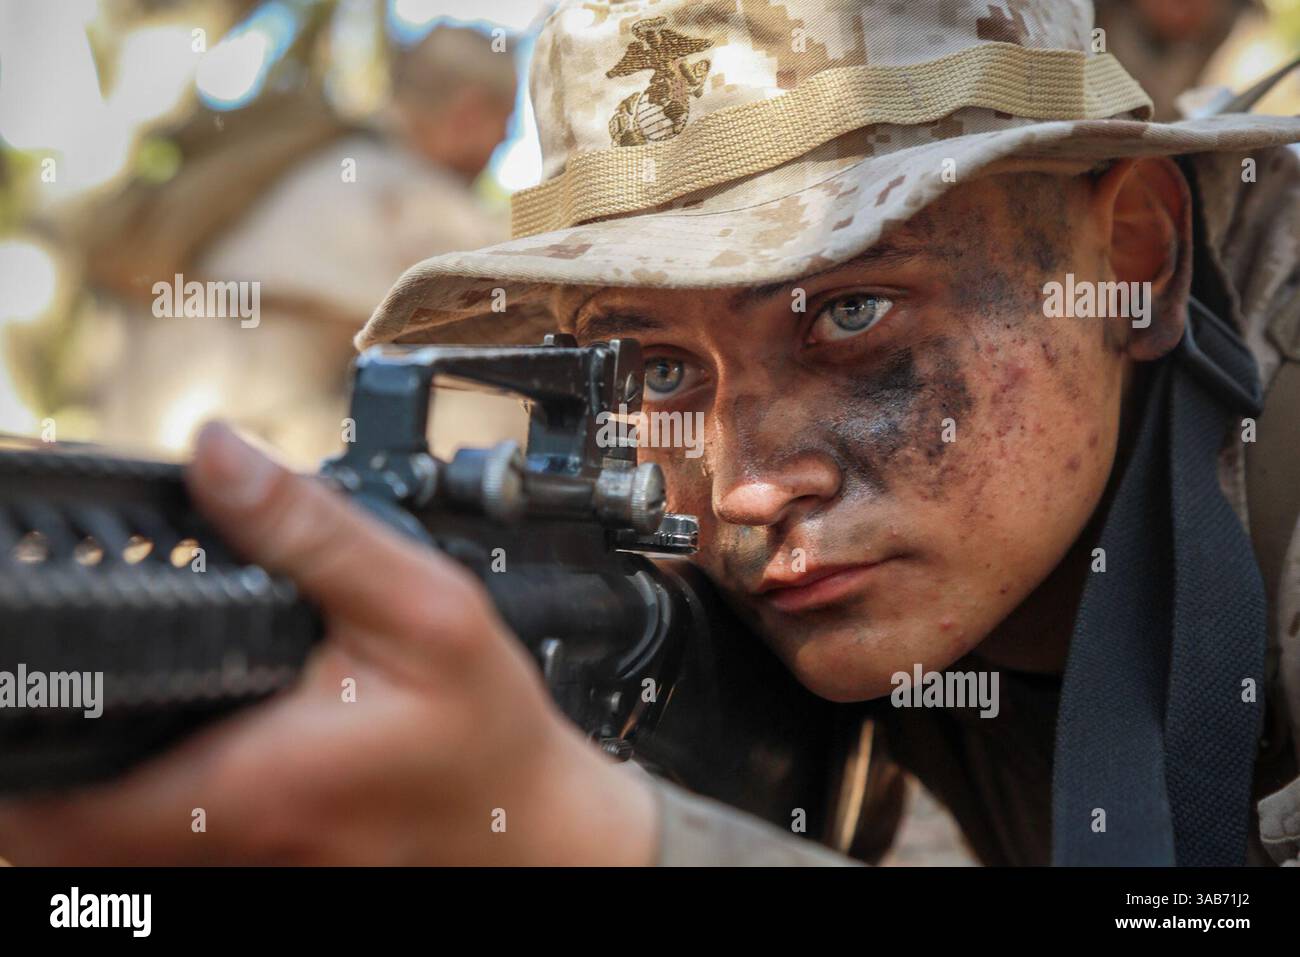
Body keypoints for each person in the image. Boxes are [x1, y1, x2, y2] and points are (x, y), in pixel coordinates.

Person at [2, 0, 1298, 866]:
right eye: (658, 362)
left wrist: (595, 831)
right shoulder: (684, 613)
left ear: (1130, 258)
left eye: (852, 313)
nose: (742, 484)